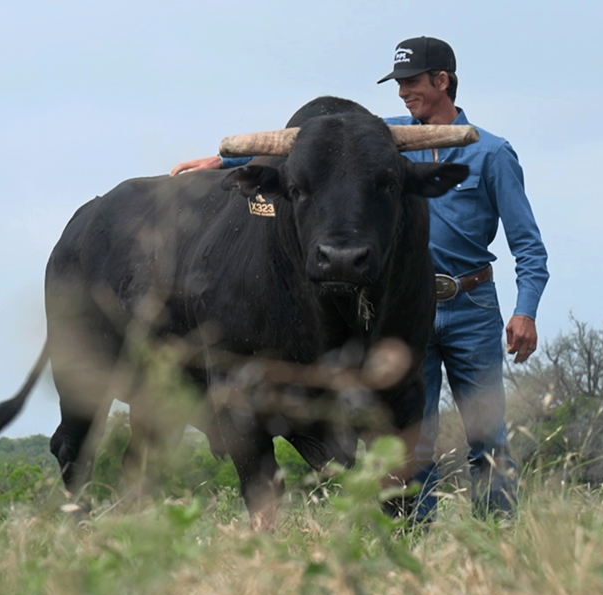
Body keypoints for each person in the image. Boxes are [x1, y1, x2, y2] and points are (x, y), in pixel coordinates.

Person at [170, 37, 549, 521]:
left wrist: (526, 309)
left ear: (443, 81)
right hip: (404, 308)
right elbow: (315, 150)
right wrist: (225, 162)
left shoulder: (491, 153)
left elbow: (528, 243)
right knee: (415, 442)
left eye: (411, 82)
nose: (402, 93)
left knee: (487, 437)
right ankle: (415, 540)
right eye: (398, 84)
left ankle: (500, 537)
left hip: (470, 305)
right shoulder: (378, 137)